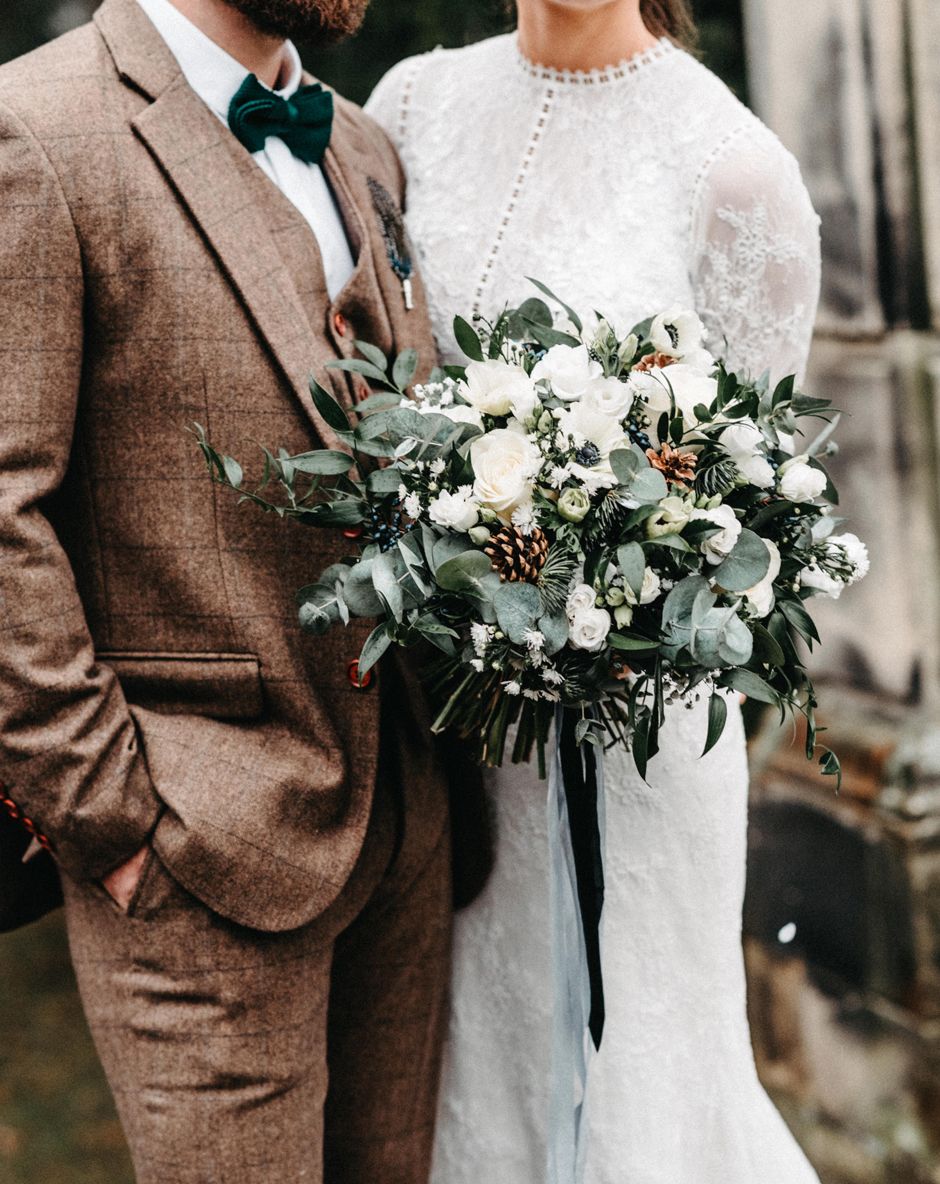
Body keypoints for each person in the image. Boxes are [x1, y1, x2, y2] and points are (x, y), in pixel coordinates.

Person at [0, 0, 465, 1180]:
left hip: (405, 836)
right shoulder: (37, 130)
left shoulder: (361, 144)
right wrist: (109, 818)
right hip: (191, 857)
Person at [367, 1, 824, 1180]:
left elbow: (744, 512)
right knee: (468, 1072)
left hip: (630, 756)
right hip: (444, 733)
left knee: (635, 1084)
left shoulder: (736, 175)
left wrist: (606, 615)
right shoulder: (411, 106)